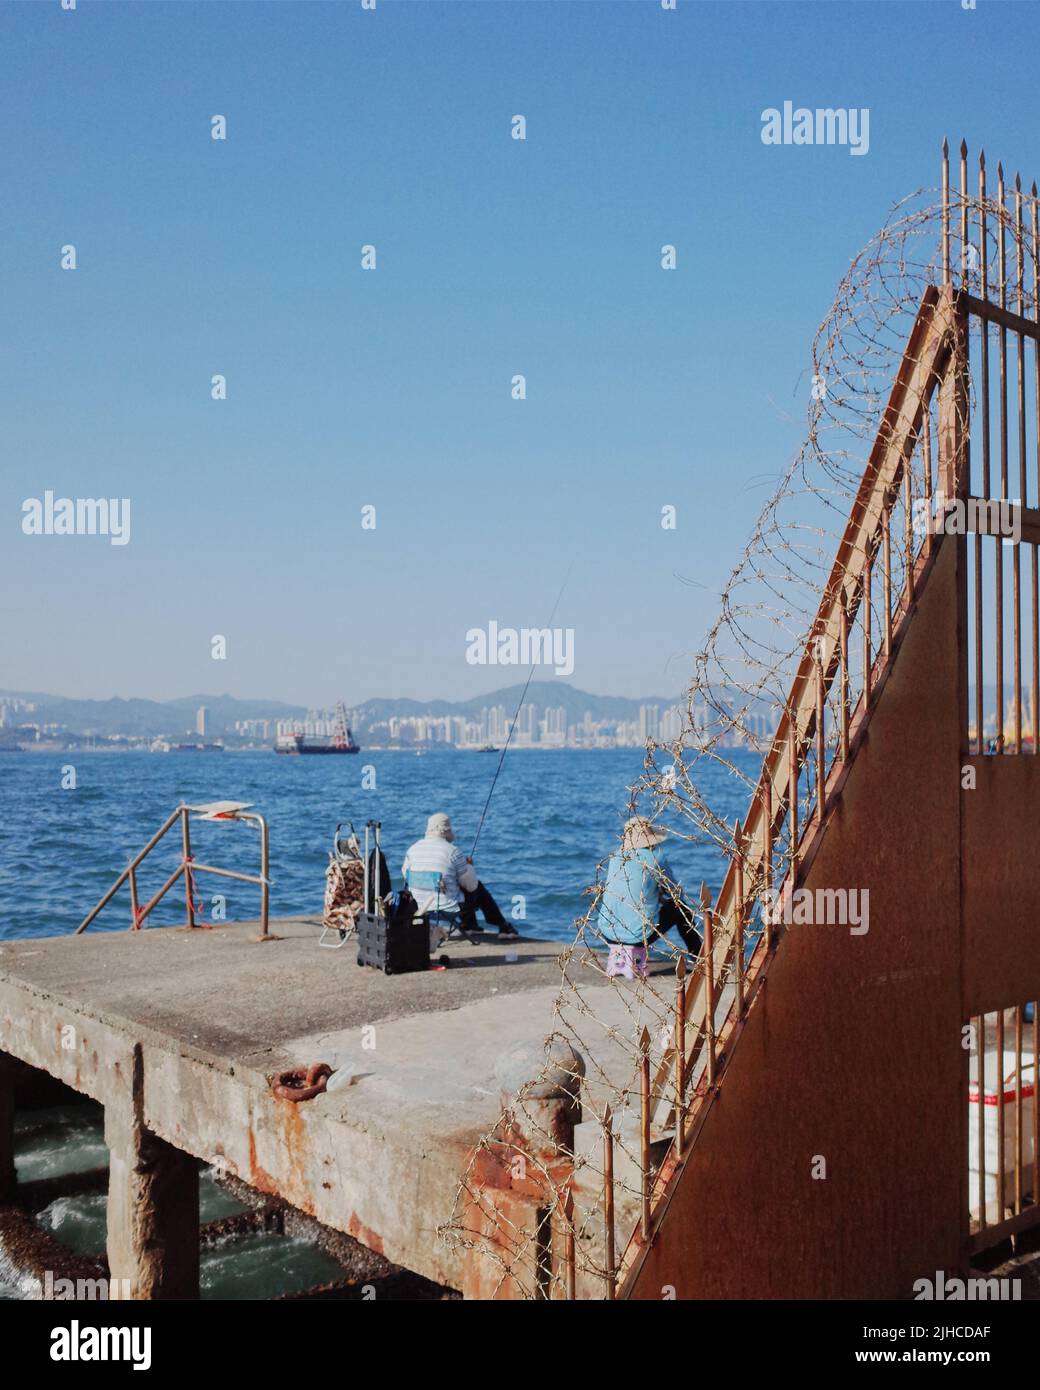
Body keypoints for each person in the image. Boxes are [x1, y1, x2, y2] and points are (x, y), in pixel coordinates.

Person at [595, 817, 701, 980]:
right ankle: (699, 958)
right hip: (637, 935)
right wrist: (661, 896)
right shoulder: (655, 859)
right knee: (681, 909)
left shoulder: (615, 857)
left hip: (607, 931)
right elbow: (674, 891)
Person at [402, 812, 517, 939]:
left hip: (419, 906)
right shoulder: (453, 852)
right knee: (477, 888)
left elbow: (405, 875)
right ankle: (503, 926)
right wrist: (469, 867)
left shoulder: (412, 849)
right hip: (446, 908)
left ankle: (470, 925)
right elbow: (471, 886)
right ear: (447, 830)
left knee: (456, 885)